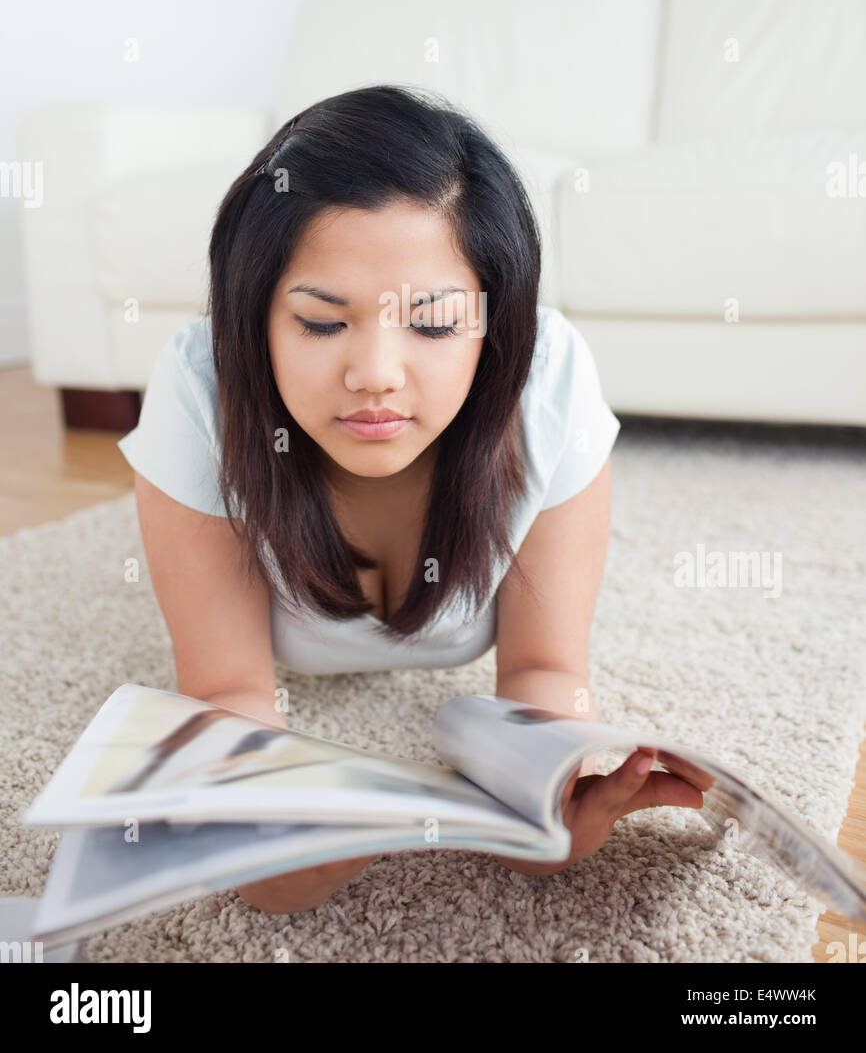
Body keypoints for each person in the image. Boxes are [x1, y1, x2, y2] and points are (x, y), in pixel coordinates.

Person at [118, 83, 705, 914]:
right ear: (254, 322)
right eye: (323, 324)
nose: (376, 376)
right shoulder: (198, 392)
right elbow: (226, 688)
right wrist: (260, 834)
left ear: (496, 325)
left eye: (431, 325)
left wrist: (543, 814)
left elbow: (546, 669)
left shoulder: (547, 386)